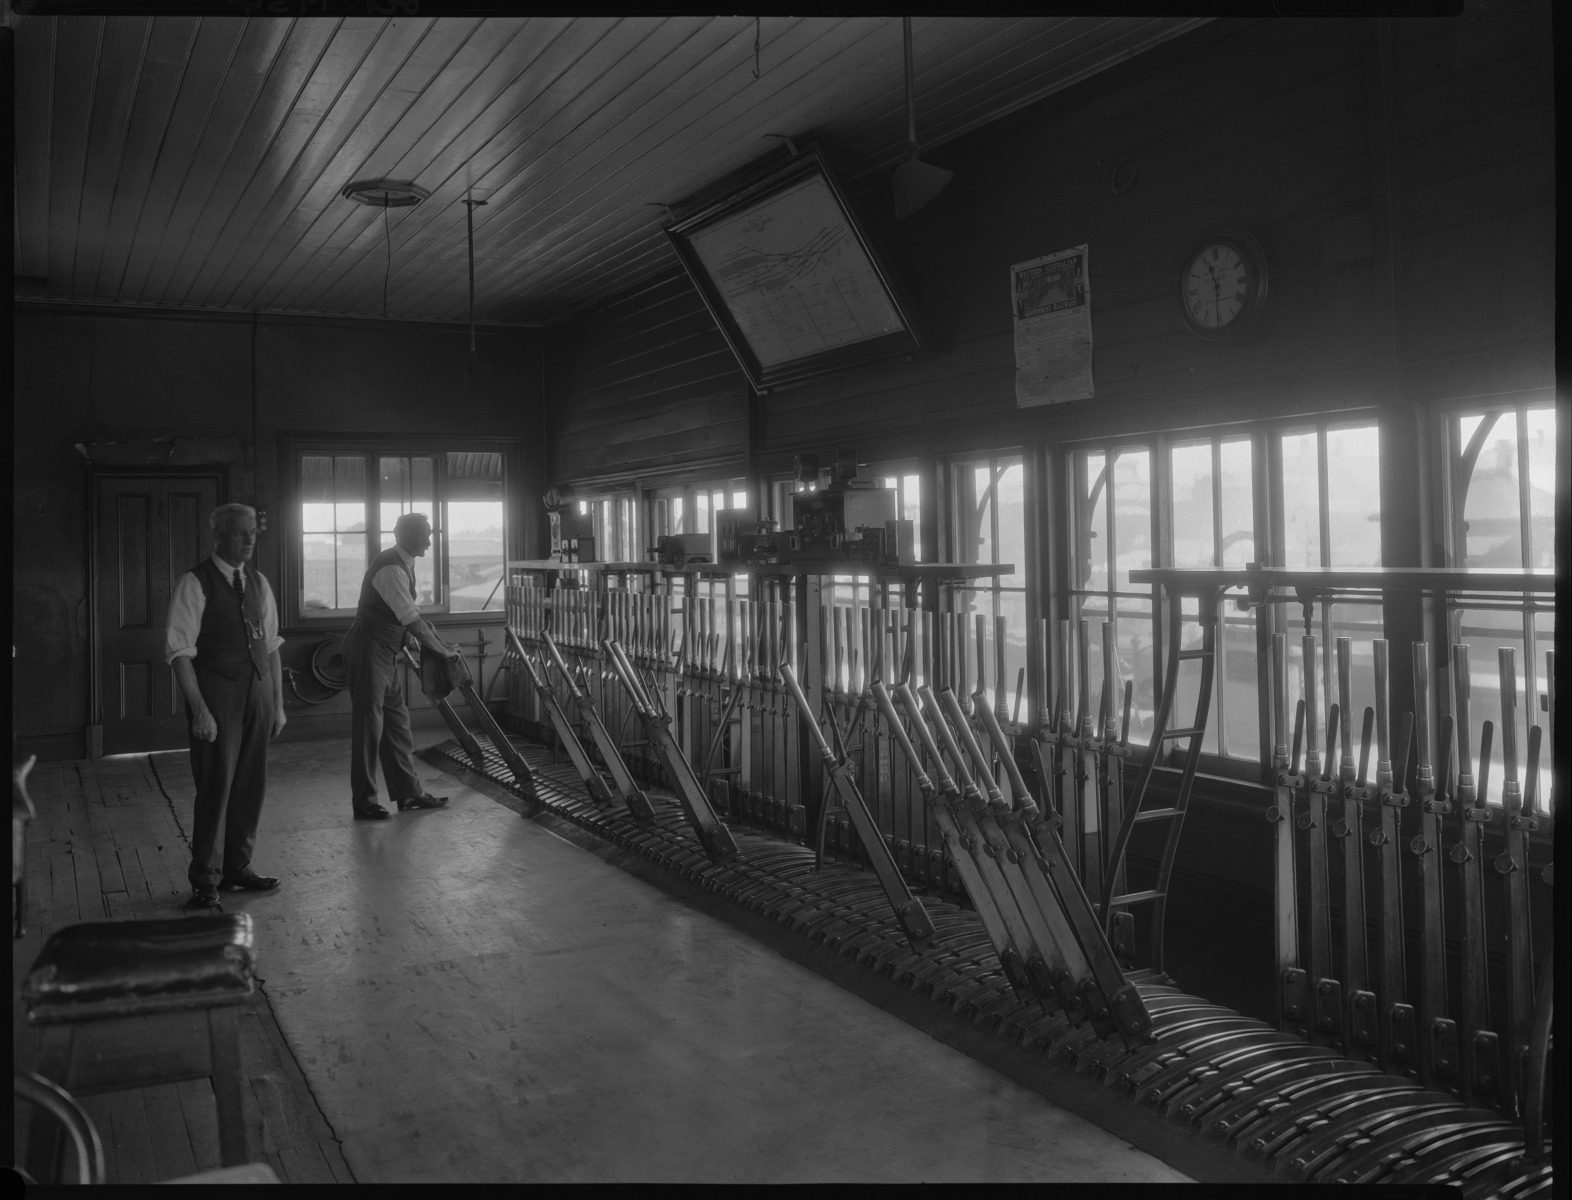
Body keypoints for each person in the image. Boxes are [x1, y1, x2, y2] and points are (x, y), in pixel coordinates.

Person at [166, 503, 286, 907]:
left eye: (253, 532)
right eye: (239, 532)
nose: (249, 539)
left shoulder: (258, 582)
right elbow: (179, 653)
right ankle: (205, 876)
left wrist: (277, 704)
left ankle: (238, 866)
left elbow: (271, 646)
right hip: (217, 696)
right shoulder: (195, 583)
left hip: (258, 693)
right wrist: (199, 710)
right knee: (216, 784)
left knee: (251, 784)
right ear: (218, 537)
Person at [341, 512, 463, 820]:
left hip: (385, 652)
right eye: (423, 535)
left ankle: (409, 794)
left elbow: (405, 615)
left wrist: (424, 636)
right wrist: (443, 650)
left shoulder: (405, 563)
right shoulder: (391, 568)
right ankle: (364, 802)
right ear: (404, 536)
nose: (428, 542)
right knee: (369, 728)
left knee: (396, 724)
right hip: (368, 650)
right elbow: (412, 621)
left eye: (429, 534)